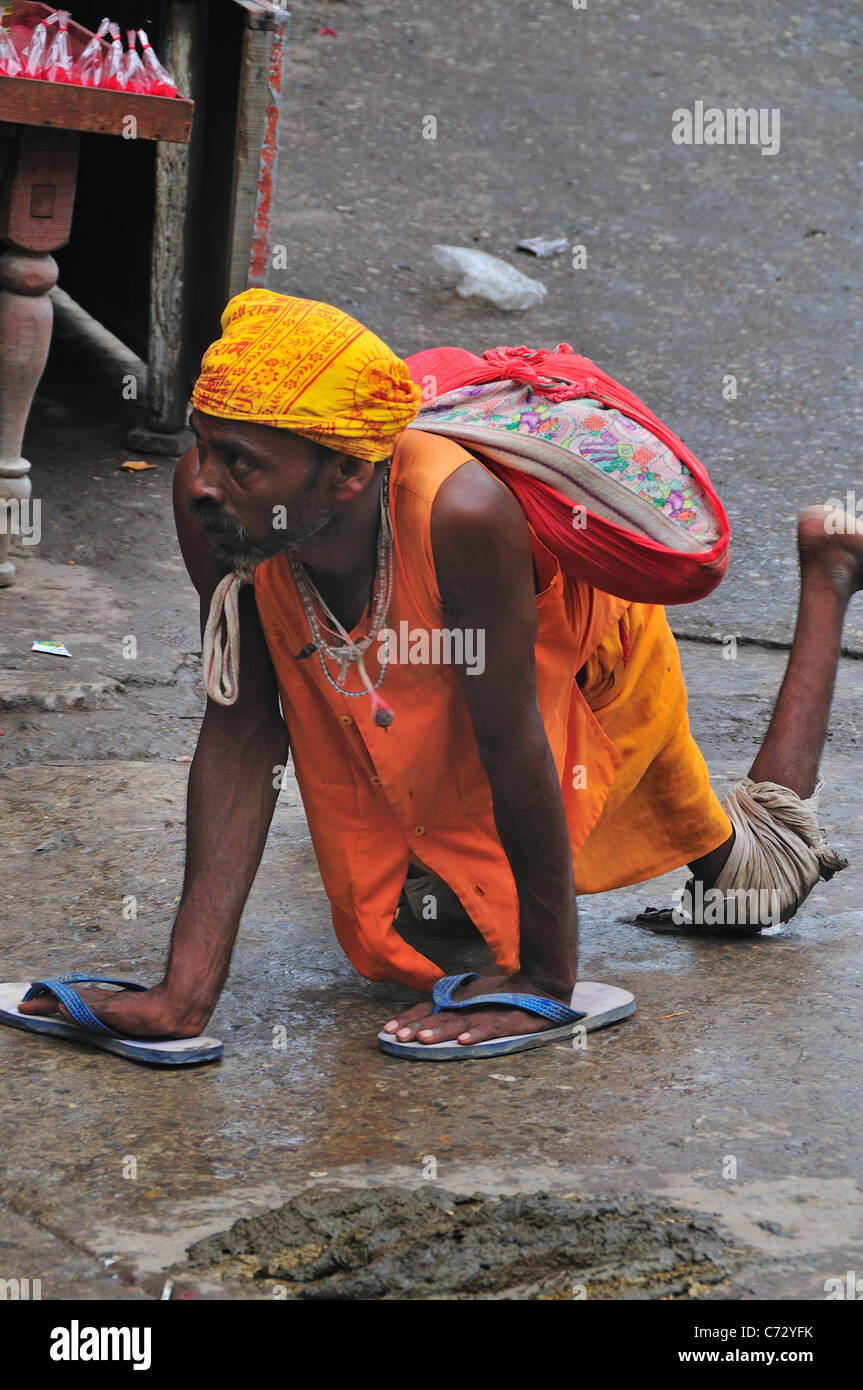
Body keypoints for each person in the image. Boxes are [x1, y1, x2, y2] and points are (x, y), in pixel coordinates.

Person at [18, 291, 851, 1058]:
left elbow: (513, 738)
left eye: (239, 462)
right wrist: (181, 997)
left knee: (749, 893)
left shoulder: (463, 514)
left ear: (348, 475)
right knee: (433, 919)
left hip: (585, 670)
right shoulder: (209, 502)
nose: (201, 482)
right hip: (402, 692)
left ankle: (829, 571)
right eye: (201, 445)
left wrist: (543, 981)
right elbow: (240, 723)